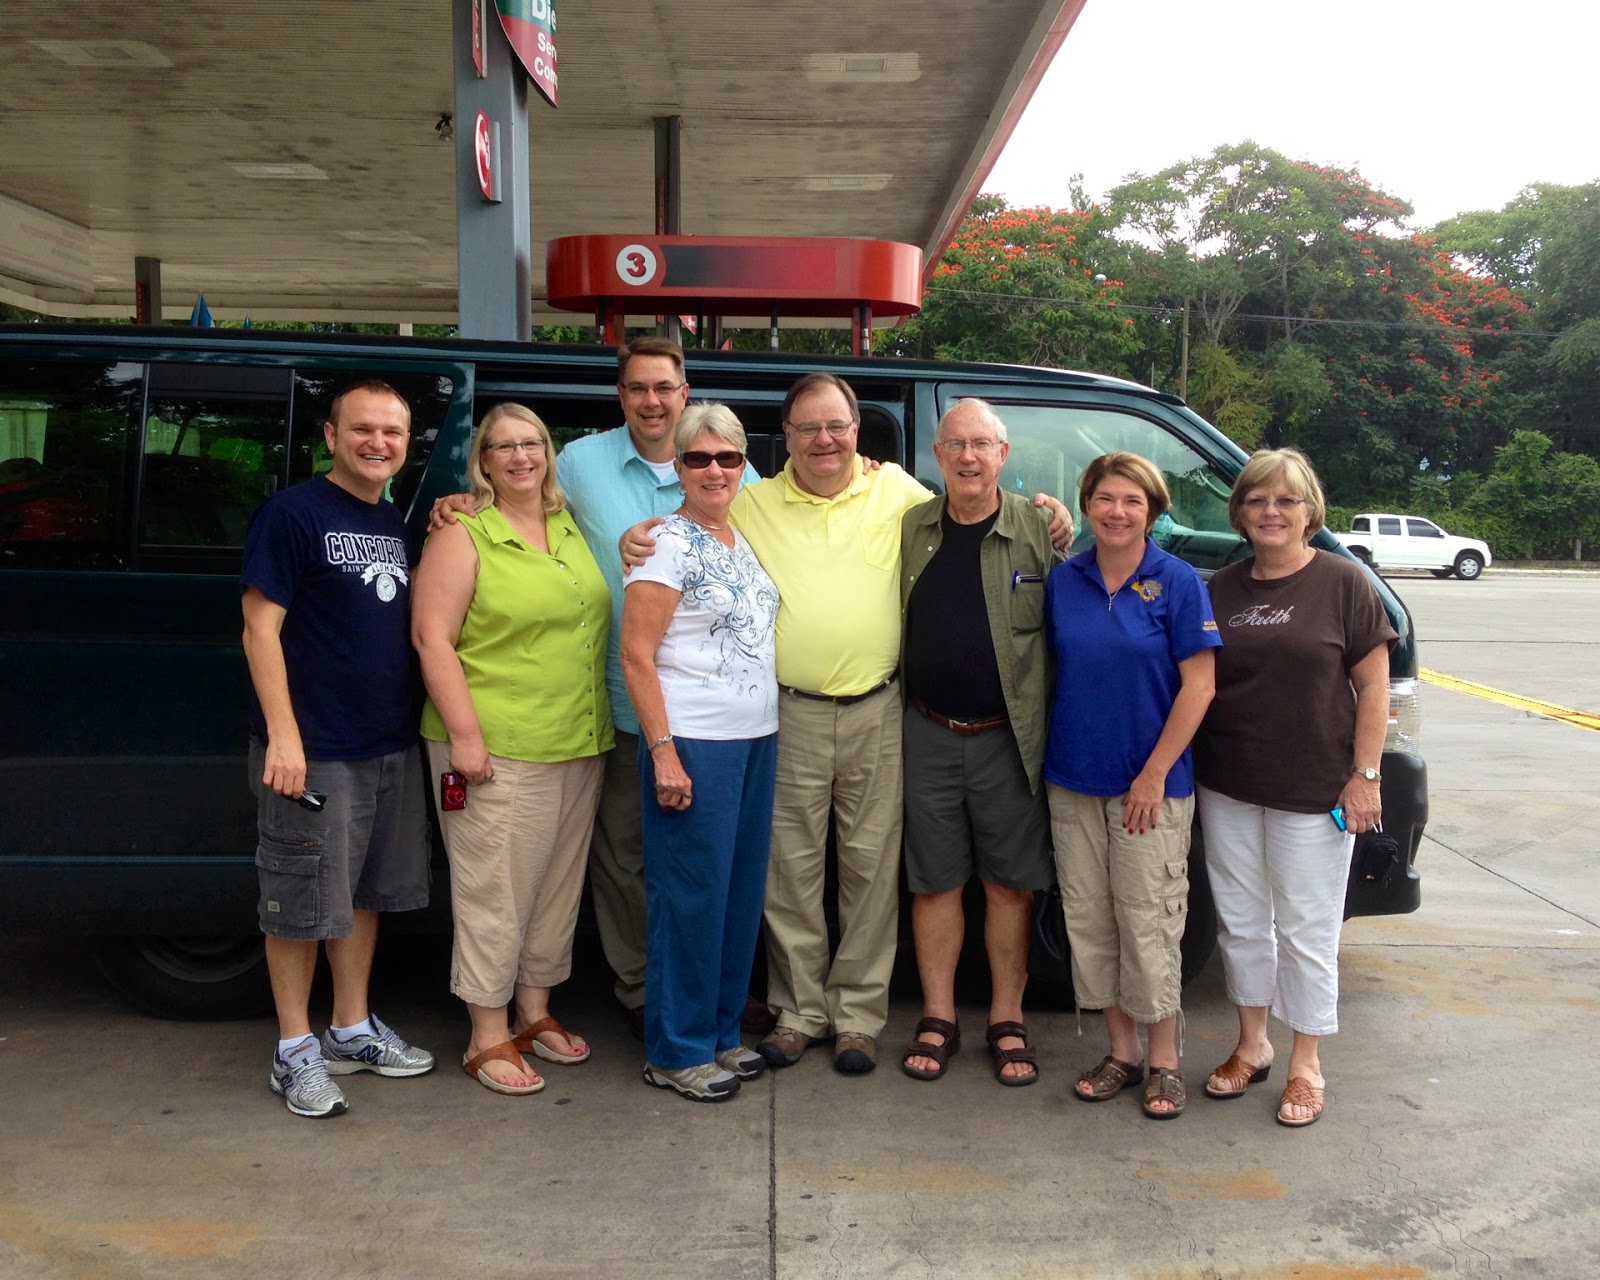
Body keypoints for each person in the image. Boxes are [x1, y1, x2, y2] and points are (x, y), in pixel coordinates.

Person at [623, 374, 1072, 1075]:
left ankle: (859, 1016)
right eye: (807, 428)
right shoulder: (754, 499)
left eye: (836, 426)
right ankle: (799, 1010)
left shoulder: (898, 493)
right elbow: (692, 520)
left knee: (871, 870)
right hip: (787, 713)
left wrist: (1053, 514)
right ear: (788, 439)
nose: (824, 440)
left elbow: (976, 505)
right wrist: (637, 534)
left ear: (858, 431)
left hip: (880, 709)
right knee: (788, 874)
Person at [431, 338, 763, 1040]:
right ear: (622, 396)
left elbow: (782, 519)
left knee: (689, 865)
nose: (653, 400)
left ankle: (689, 987)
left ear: (684, 390)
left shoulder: (729, 463)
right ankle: (643, 990)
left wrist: (872, 469)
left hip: (706, 716)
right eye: (638, 387)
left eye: (665, 387)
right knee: (621, 861)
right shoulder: (577, 462)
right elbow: (517, 505)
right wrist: (462, 499)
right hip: (611, 702)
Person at [241, 379, 435, 1119]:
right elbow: (260, 630)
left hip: (386, 743)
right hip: (313, 748)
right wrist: (284, 736)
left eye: (392, 431)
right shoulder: (292, 515)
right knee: (297, 902)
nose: (378, 442)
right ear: (330, 435)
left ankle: (350, 1028)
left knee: (362, 896)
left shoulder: (392, 520)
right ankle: (295, 1051)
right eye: (363, 429)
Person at [412, 403, 612, 1095]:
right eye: (505, 447)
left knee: (553, 891)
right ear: (484, 461)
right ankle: (486, 1033)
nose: (522, 456)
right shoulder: (465, 531)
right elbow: (431, 639)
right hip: (494, 747)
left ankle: (532, 1013)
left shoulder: (565, 523)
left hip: (577, 739)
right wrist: (466, 736)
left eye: (533, 443)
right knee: (494, 892)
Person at [1193, 448, 1394, 1128]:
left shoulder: (1344, 583)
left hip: (1317, 791)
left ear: (1310, 511)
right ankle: (1252, 1045)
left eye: (1286, 500)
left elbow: (1374, 686)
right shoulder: (1220, 589)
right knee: (1242, 923)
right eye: (1257, 501)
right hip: (1228, 783)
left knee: (1306, 930)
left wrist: (1366, 776)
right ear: (1240, 513)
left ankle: (1307, 1062)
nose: (1271, 512)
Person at [1043, 452, 1219, 1120]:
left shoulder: (1176, 583)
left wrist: (1152, 775)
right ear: (1086, 505)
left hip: (1153, 787)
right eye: (1105, 499)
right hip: (1073, 780)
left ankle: (1165, 1063)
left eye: (1133, 501)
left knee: (1150, 922)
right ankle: (1121, 1053)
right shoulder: (1067, 580)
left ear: (1153, 510)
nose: (1117, 512)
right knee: (1091, 922)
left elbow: (1200, 686)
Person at [620, 403, 780, 1102]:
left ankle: (719, 1032)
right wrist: (663, 752)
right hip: (693, 742)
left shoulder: (741, 536)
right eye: (697, 458)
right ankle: (675, 1048)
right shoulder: (663, 543)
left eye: (727, 458)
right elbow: (635, 654)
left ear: (745, 464)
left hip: (754, 739)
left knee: (737, 896)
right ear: (677, 467)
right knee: (689, 898)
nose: (714, 470)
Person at [897, 399, 1058, 1087]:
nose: (968, 457)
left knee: (1008, 886)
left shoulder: (1042, 532)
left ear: (1003, 453)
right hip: (926, 732)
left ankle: (1005, 1016)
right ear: (936, 457)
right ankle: (938, 1015)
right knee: (934, 883)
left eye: (981, 445)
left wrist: (1066, 515)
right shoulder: (909, 526)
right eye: (955, 445)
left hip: (1007, 741)